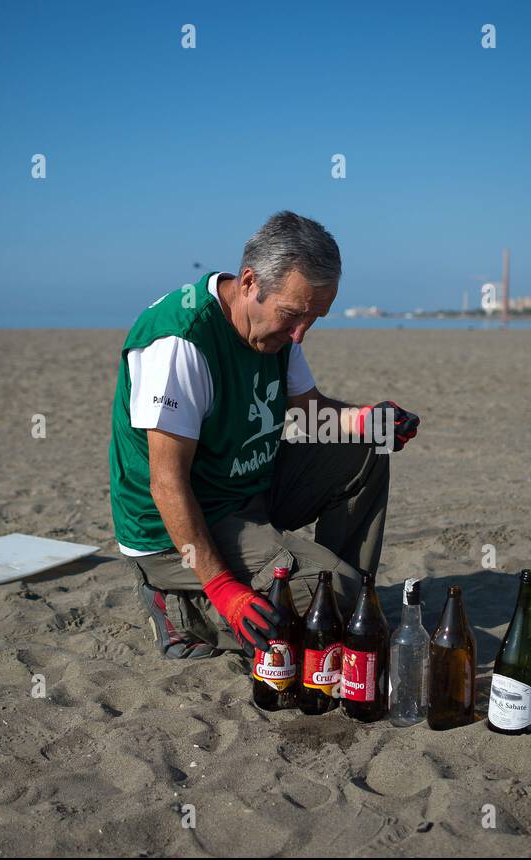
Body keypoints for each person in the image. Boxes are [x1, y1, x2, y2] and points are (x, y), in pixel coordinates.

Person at [109, 211, 420, 659]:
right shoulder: (180, 345)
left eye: (315, 318)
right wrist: (222, 588)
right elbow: (167, 484)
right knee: (324, 606)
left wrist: (371, 421)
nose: (300, 335)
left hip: (247, 486)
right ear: (250, 282)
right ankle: (182, 610)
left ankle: (337, 598)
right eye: (293, 315)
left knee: (366, 452)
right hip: (177, 527)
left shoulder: (275, 333)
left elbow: (309, 410)